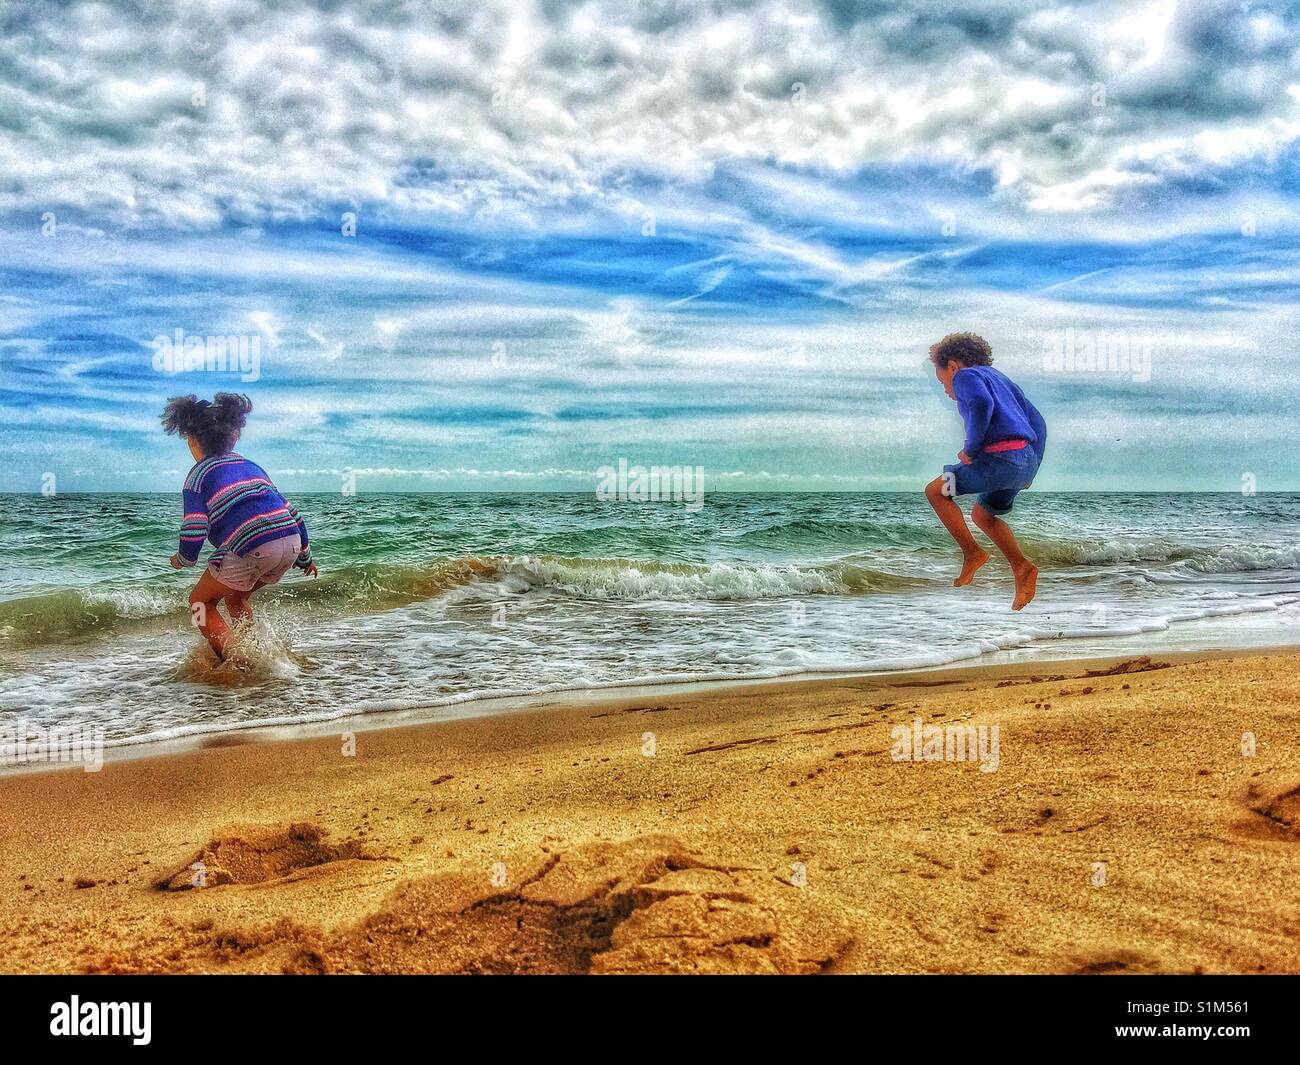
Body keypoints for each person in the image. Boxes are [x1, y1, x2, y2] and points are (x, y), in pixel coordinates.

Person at [161, 392, 316, 659]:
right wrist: (305, 557)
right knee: (236, 597)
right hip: (289, 542)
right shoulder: (252, 466)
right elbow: (292, 512)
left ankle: (239, 662)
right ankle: (255, 650)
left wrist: (183, 559)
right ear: (233, 437)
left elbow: (195, 527)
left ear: (193, 441)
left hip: (252, 546)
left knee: (200, 603)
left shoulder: (198, 475)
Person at [923, 333, 1046, 610]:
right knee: (983, 514)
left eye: (942, 379)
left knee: (936, 491)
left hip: (998, 461)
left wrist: (972, 448)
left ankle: (972, 553)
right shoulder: (1003, 380)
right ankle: (1022, 568)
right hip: (1023, 463)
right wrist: (1032, 467)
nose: (944, 387)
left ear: (953, 366)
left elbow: (981, 403)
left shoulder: (965, 377)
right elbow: (1038, 422)